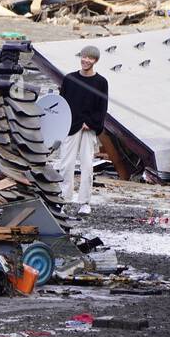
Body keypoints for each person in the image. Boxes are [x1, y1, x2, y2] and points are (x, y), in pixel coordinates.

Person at [57, 45, 108, 213]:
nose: (86, 60)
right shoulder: (70, 79)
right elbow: (61, 103)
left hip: (89, 128)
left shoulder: (101, 82)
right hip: (70, 126)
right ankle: (63, 200)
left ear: (96, 61)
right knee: (66, 164)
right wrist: (61, 123)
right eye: (84, 56)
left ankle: (85, 202)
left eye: (90, 58)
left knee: (87, 165)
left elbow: (102, 108)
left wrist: (92, 123)